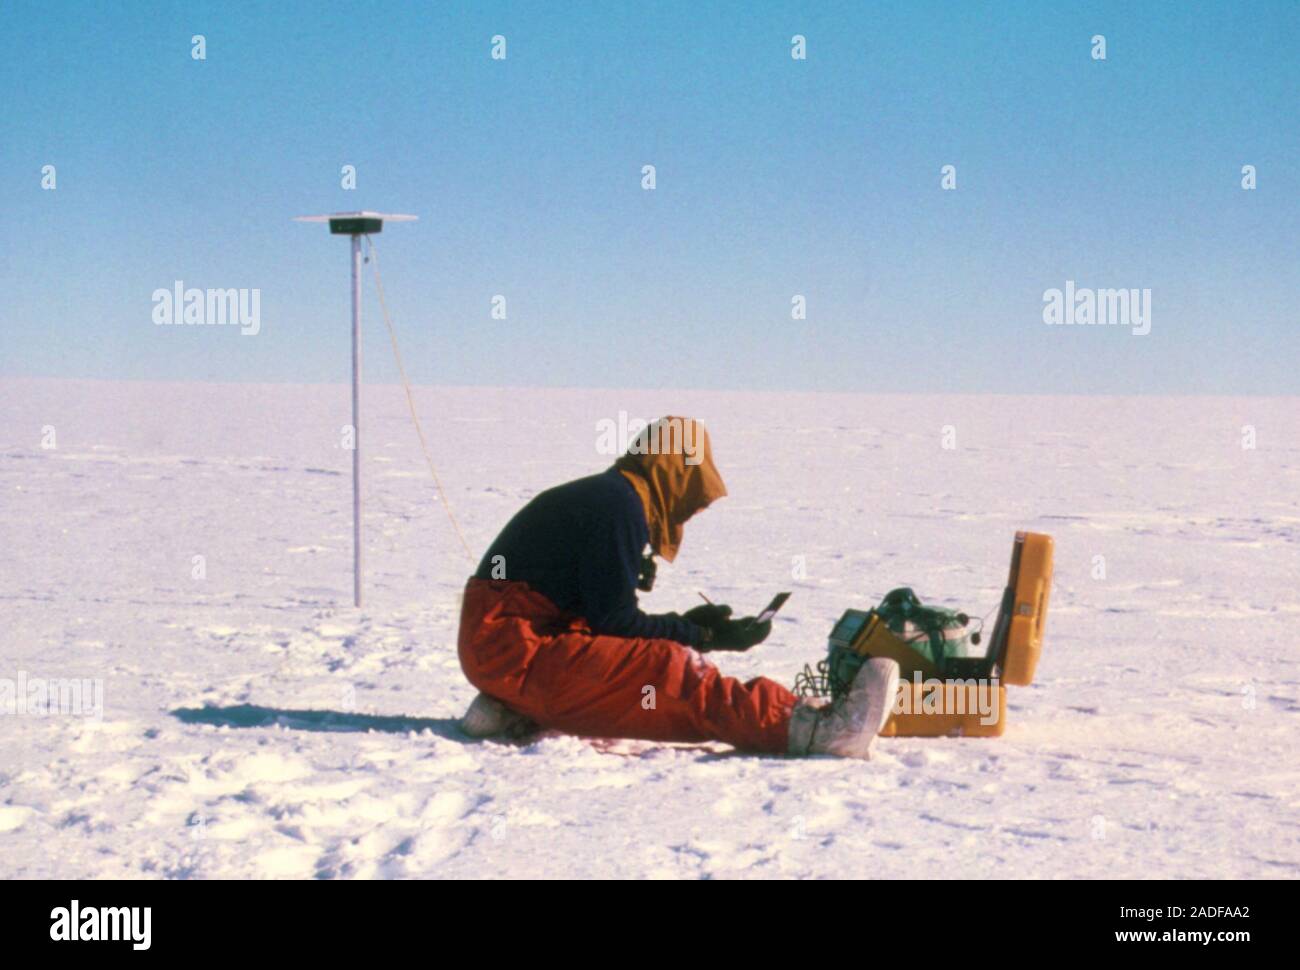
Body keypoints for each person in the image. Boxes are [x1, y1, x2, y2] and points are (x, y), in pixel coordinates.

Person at [456, 416, 900, 758]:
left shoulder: (611, 495)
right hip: (515, 650)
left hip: (505, 648)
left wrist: (686, 625)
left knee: (645, 663)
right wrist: (702, 636)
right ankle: (813, 731)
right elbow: (615, 624)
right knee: (669, 671)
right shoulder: (620, 507)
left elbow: (598, 618)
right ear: (673, 471)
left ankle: (514, 707)